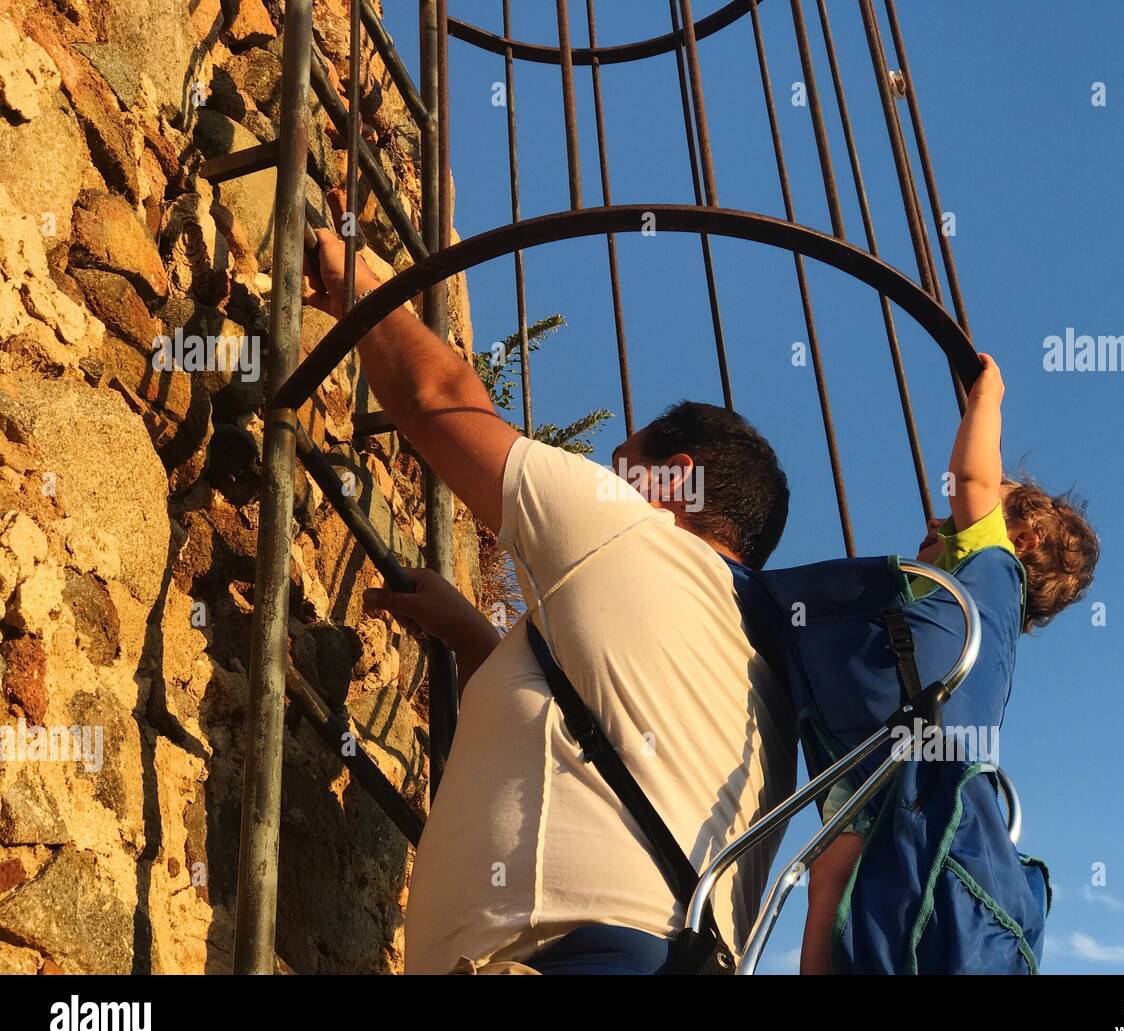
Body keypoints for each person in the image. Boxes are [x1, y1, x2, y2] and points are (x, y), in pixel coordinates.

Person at [304, 224, 797, 975]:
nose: (604, 471)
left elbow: (440, 401)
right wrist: (477, 639)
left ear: (674, 479)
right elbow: (573, 731)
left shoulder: (632, 530)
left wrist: (353, 277)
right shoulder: (757, 675)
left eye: (622, 460)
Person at [800, 352, 1100, 975]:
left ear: (1024, 541)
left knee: (831, 876)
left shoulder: (992, 571)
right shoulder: (954, 609)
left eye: (992, 508)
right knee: (832, 874)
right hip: (897, 766)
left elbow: (971, 482)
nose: (938, 519)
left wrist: (986, 397)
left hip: (891, 759)